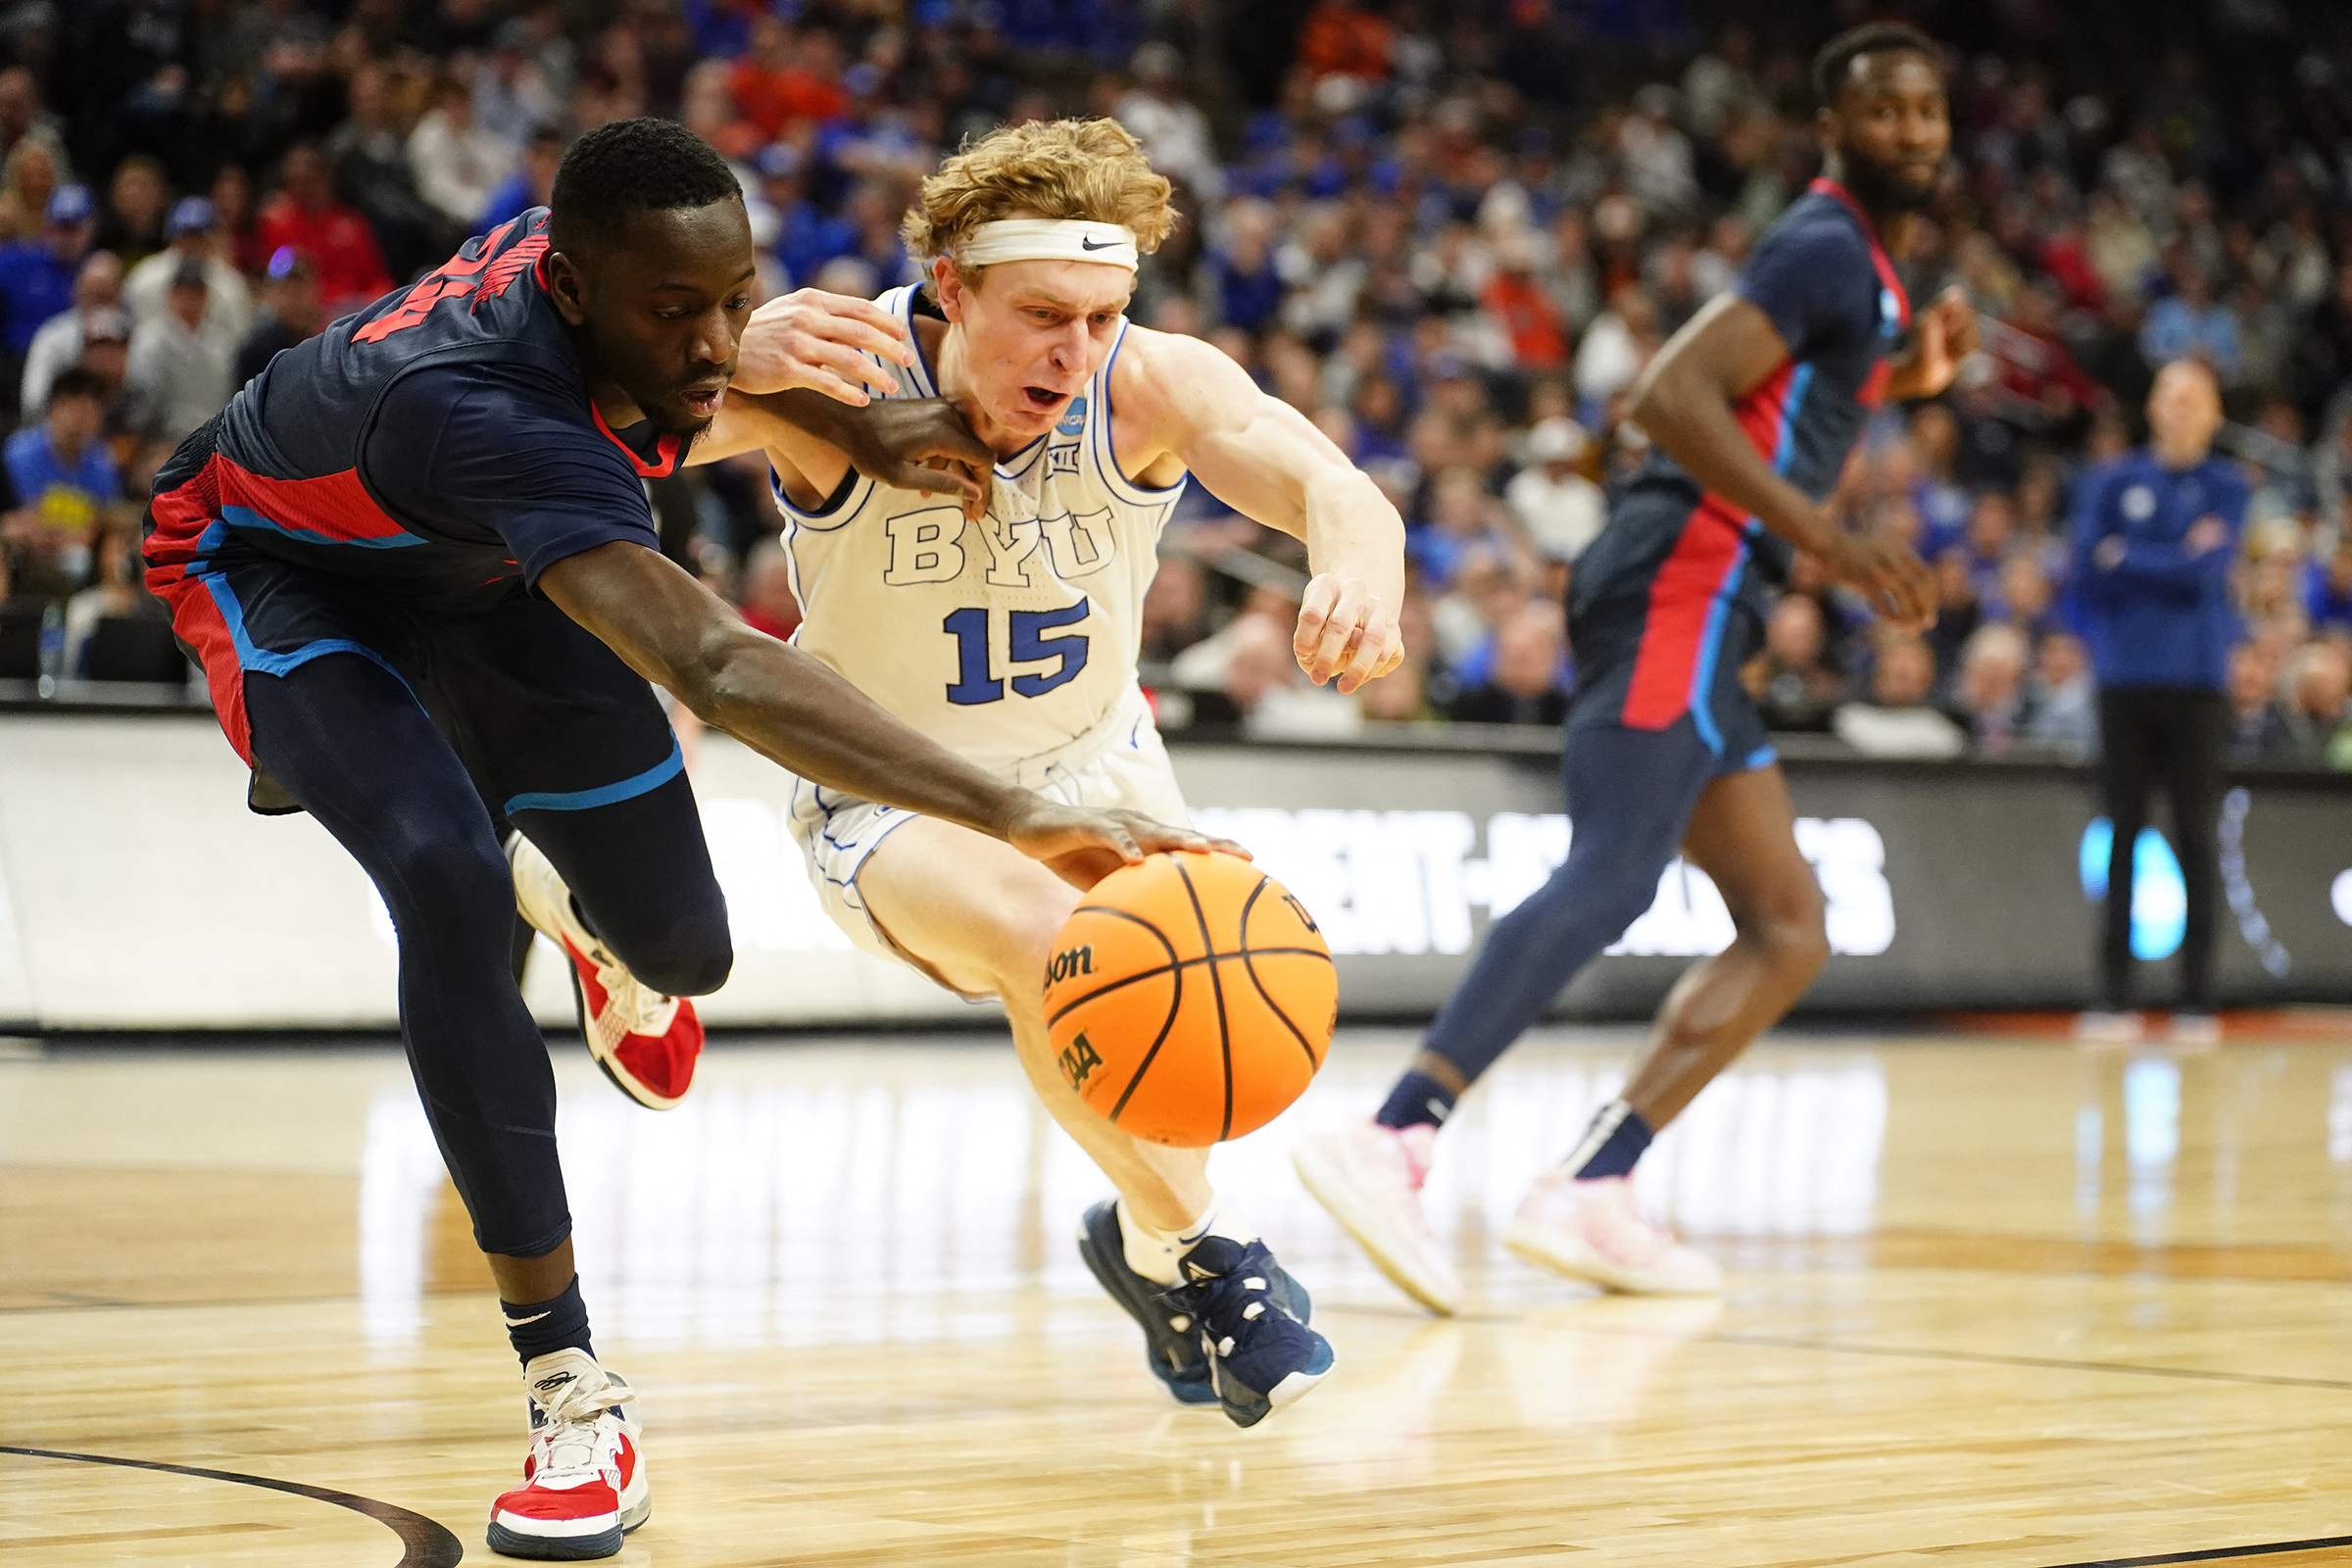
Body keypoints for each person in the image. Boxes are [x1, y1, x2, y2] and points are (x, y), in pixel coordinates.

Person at [141, 120, 1211, 1562]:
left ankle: (596, 933)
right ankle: (569, 1385)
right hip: (289, 577)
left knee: (689, 950)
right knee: (447, 881)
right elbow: (716, 665)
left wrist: (847, 419)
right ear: (575, 291)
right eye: (678, 314)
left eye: (735, 299)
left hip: (485, 559)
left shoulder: (604, 275)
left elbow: (691, 369)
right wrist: (1017, 810)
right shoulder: (494, 414)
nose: (717, 345)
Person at [722, 117, 1405, 1427]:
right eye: (1044, 313)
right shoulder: (835, 376)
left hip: (1102, 768)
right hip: (896, 793)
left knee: (1179, 1057)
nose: (1076, 353)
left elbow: (1337, 487)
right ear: (950, 289)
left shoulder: (1152, 383)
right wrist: (708, 364)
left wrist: (1357, 568)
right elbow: (586, 433)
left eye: (1103, 316)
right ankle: (1214, 1261)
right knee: (1060, 937)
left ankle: (1149, 1247)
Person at [1295, 23, 1969, 1314]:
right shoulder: (1825, 241)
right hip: (1688, 576)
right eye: (1888, 113)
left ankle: (1595, 1183)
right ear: (1836, 129)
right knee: (1614, 874)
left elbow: (1803, 386)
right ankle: (1392, 1136)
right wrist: (1823, 531)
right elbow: (1670, 394)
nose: (1917, 135)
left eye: (1931, 114)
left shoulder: (1867, 277)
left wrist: (1905, 370)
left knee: (1788, 926)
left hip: (1722, 602)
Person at [2067, 359, 2247, 1049]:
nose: (2179, 408)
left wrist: (2131, 556)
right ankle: (2113, 997)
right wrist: (2170, 555)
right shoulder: (2113, 480)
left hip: (2199, 682)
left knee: (2198, 836)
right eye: (2169, 395)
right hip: (2124, 678)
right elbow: (2087, 563)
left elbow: (2206, 572)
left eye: (2194, 397)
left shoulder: (2227, 485)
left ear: (2213, 413)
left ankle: (2196, 1001)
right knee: (2120, 833)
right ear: (2152, 407)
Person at [123, 196, 255, 348]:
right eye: (186, 237)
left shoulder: (230, 285)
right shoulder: (145, 278)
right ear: (173, 239)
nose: (192, 245)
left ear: (213, 240)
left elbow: (241, 339)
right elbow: (130, 332)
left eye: (199, 238)